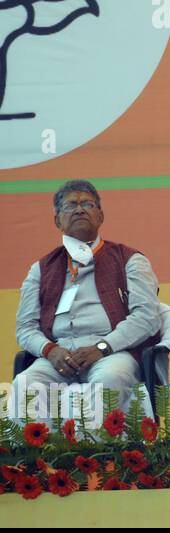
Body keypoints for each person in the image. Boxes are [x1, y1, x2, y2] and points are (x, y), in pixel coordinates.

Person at [12, 181, 161, 424]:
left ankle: (101, 461)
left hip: (111, 352)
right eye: (70, 205)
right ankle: (36, 462)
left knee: (109, 380)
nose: (79, 210)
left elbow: (147, 318)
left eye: (87, 204)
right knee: (25, 385)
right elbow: (25, 328)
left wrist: (101, 348)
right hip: (59, 355)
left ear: (100, 216)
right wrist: (51, 351)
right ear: (57, 221)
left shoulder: (130, 259)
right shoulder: (40, 269)